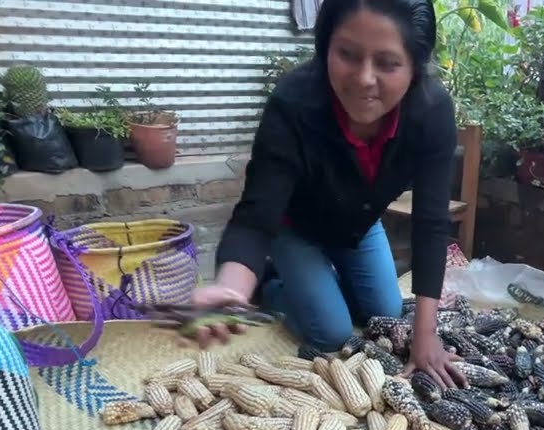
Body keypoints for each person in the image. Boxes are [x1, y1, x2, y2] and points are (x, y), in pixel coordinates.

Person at [188, 0, 466, 388]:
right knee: (332, 334)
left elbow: (431, 223)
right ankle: (271, 285)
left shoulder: (431, 111)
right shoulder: (293, 102)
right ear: (325, 47)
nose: (364, 79)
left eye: (387, 63)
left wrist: (425, 336)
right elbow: (257, 213)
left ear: (415, 68)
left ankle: (318, 286)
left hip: (358, 225)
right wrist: (233, 286)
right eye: (347, 55)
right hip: (295, 225)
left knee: (384, 312)